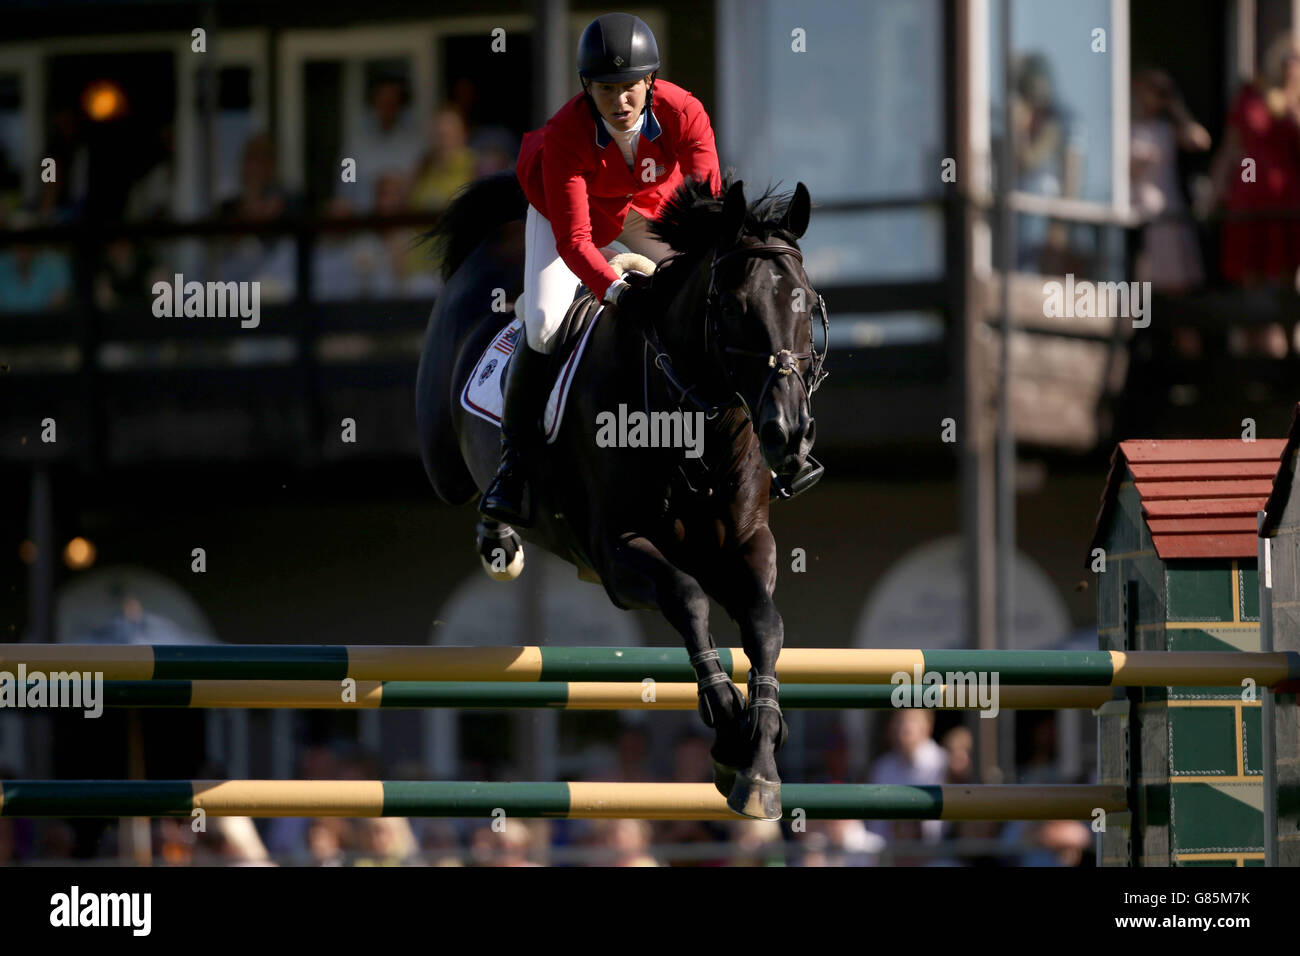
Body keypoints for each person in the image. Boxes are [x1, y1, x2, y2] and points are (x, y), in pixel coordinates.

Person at [478, 12, 722, 527]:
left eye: (630, 86)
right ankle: (513, 465)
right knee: (544, 322)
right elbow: (576, 241)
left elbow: (705, 214)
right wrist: (615, 291)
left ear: (651, 81)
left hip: (645, 208)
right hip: (566, 214)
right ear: (587, 87)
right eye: (605, 89)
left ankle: (739, 435)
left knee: (705, 299)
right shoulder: (566, 132)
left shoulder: (687, 112)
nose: (620, 101)